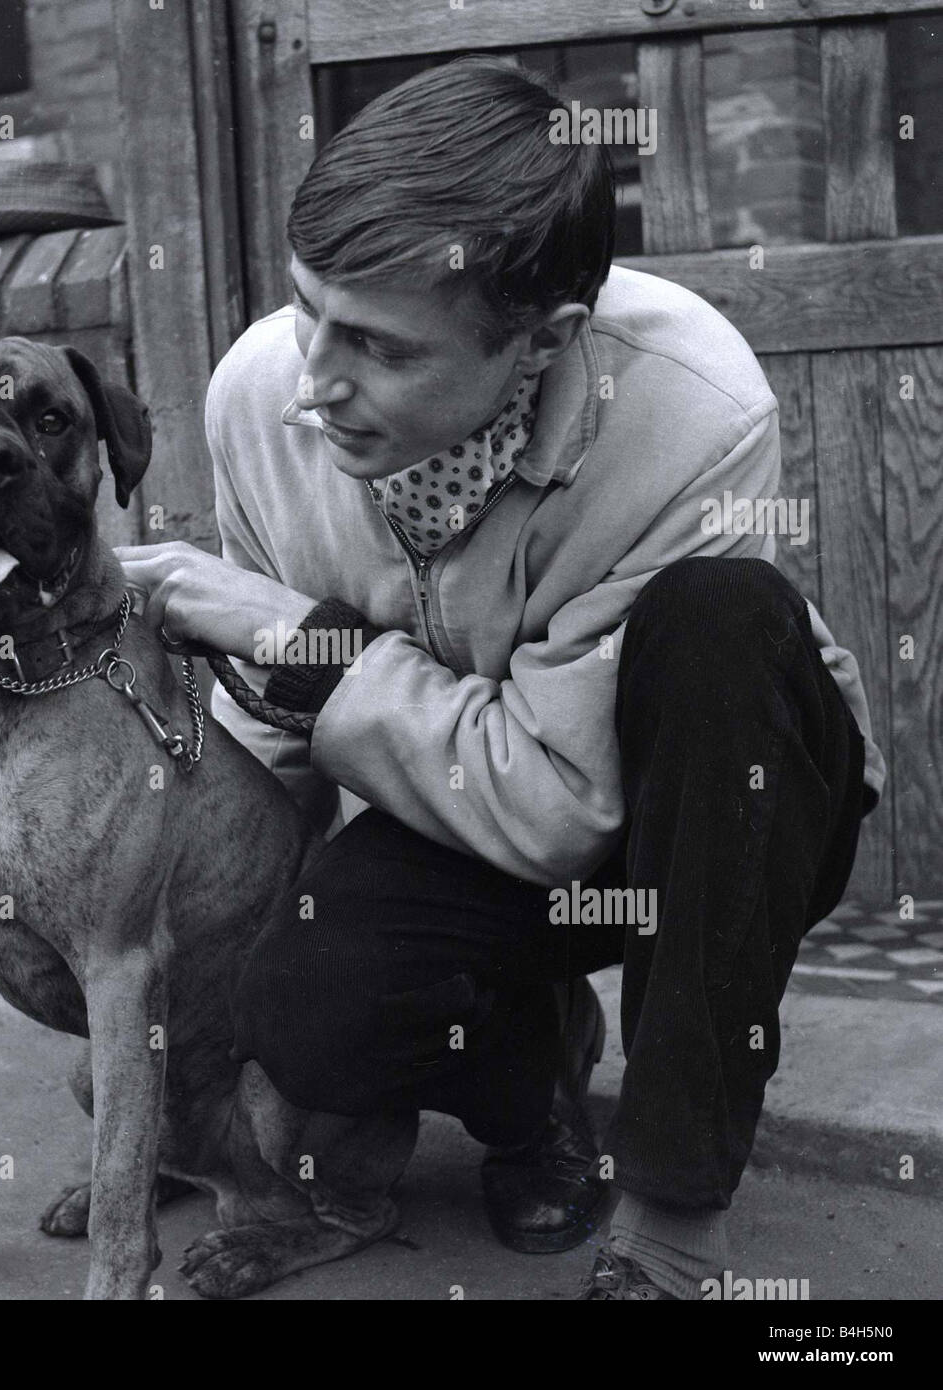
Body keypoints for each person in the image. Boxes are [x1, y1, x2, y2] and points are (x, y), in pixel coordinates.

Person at [117, 54, 885, 1300]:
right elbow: (277, 748)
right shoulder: (261, 392)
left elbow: (568, 803)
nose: (314, 383)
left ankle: (672, 1222)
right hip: (466, 795)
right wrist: (220, 1013)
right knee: (309, 1000)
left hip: (703, 815)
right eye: (309, 308)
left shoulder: (693, 407)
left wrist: (313, 646)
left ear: (544, 339)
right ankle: (534, 1087)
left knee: (726, 620)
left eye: (375, 344)